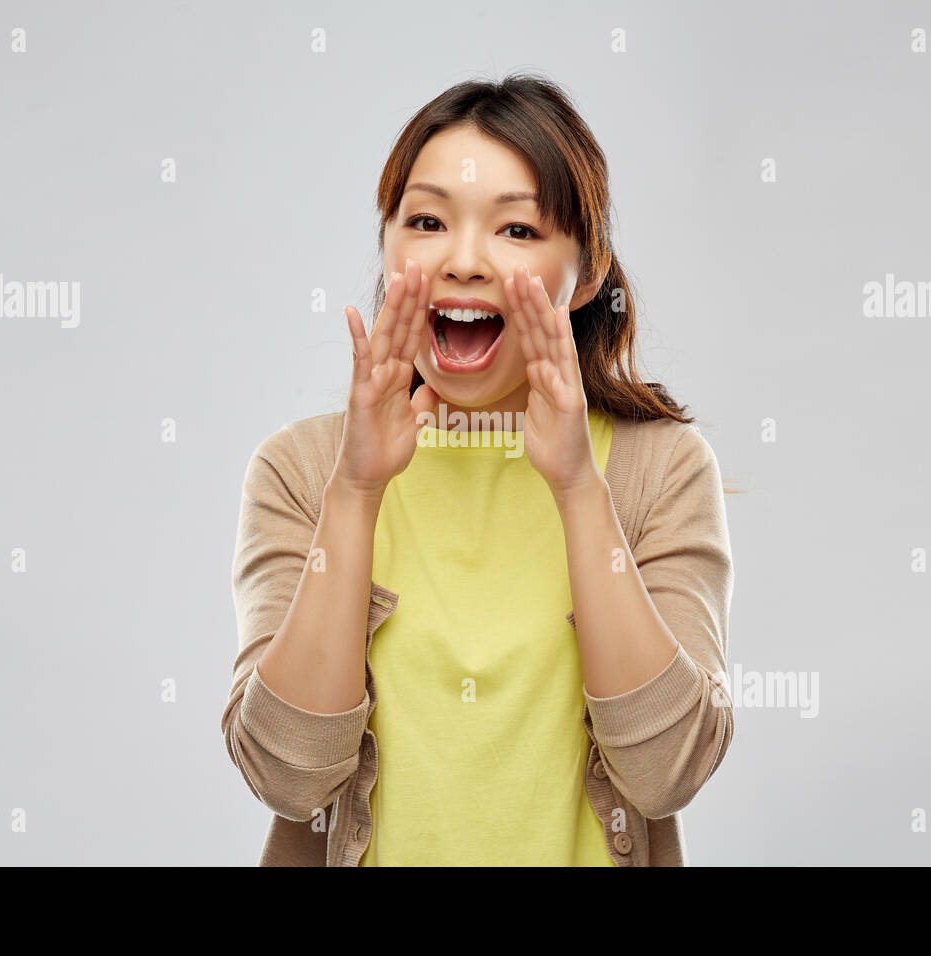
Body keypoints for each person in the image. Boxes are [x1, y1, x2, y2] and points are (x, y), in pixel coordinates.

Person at [221, 72, 736, 866]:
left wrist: (576, 488)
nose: (463, 262)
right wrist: (355, 494)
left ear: (588, 273)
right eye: (426, 221)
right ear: (389, 246)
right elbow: (291, 780)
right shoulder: (302, 469)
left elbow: (665, 772)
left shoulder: (658, 469)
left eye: (518, 231)